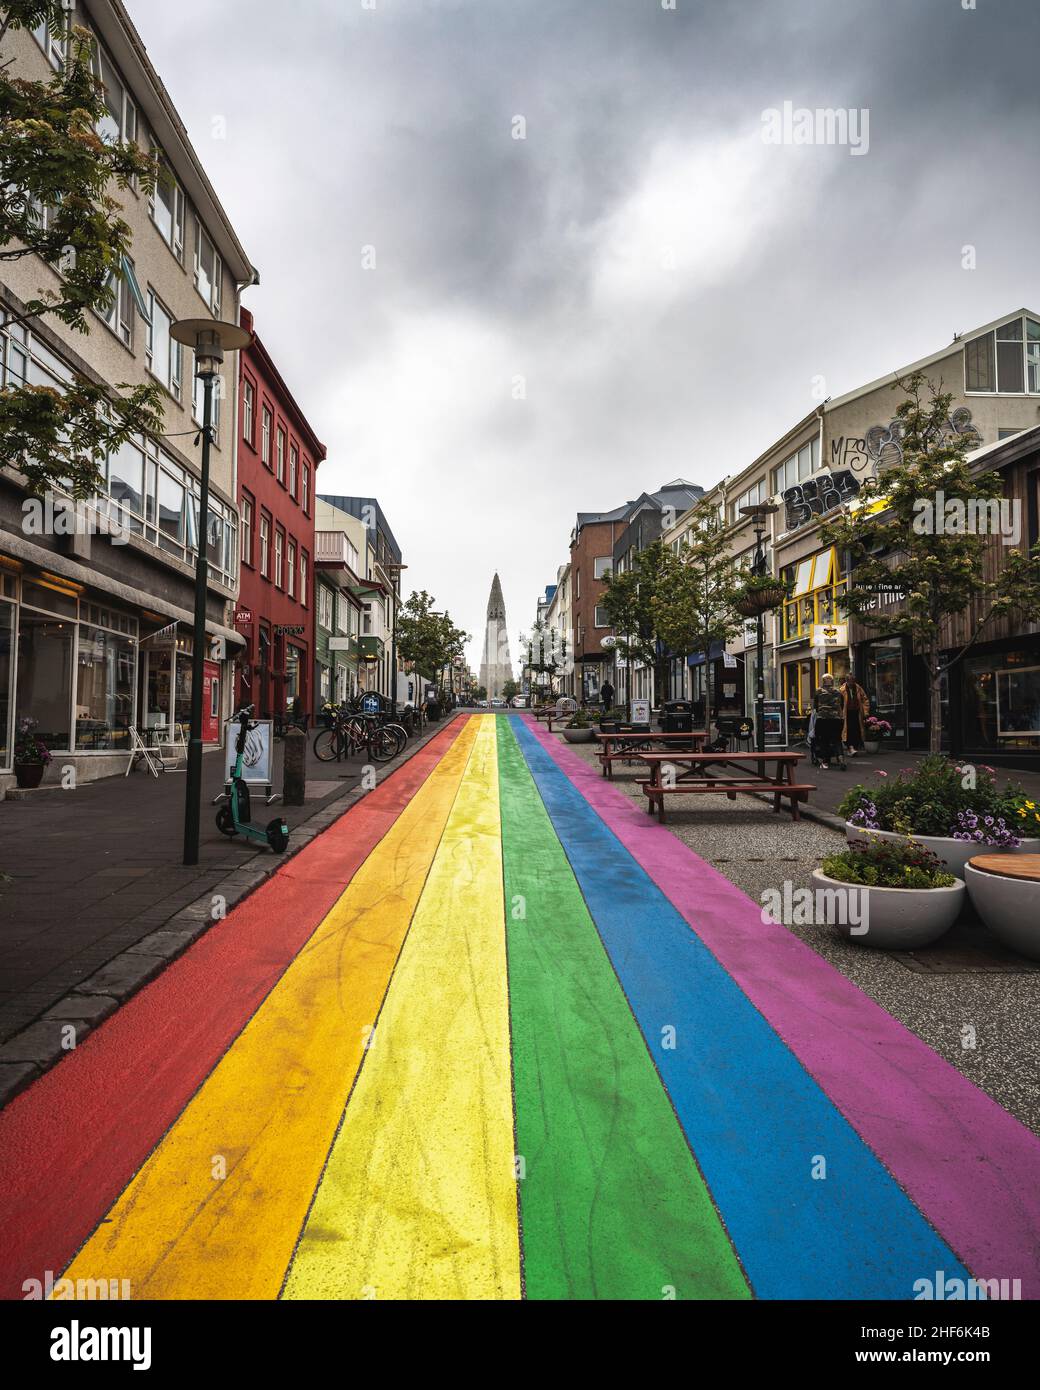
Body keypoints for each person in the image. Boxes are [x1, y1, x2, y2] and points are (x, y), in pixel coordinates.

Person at [812, 672, 845, 770]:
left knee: (824, 740)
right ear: (832, 681)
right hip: (836, 720)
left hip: (823, 719)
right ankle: (841, 759)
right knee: (837, 739)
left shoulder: (818, 691)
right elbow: (841, 705)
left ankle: (825, 762)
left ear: (823, 681)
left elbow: (815, 706)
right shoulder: (838, 691)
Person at [840, 674, 869, 757]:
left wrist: (865, 712)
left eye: (853, 681)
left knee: (856, 730)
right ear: (847, 681)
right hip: (847, 713)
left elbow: (865, 700)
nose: (852, 683)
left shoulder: (858, 688)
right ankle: (850, 747)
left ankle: (854, 748)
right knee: (848, 730)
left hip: (856, 712)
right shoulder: (842, 690)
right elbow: (839, 703)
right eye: (850, 681)